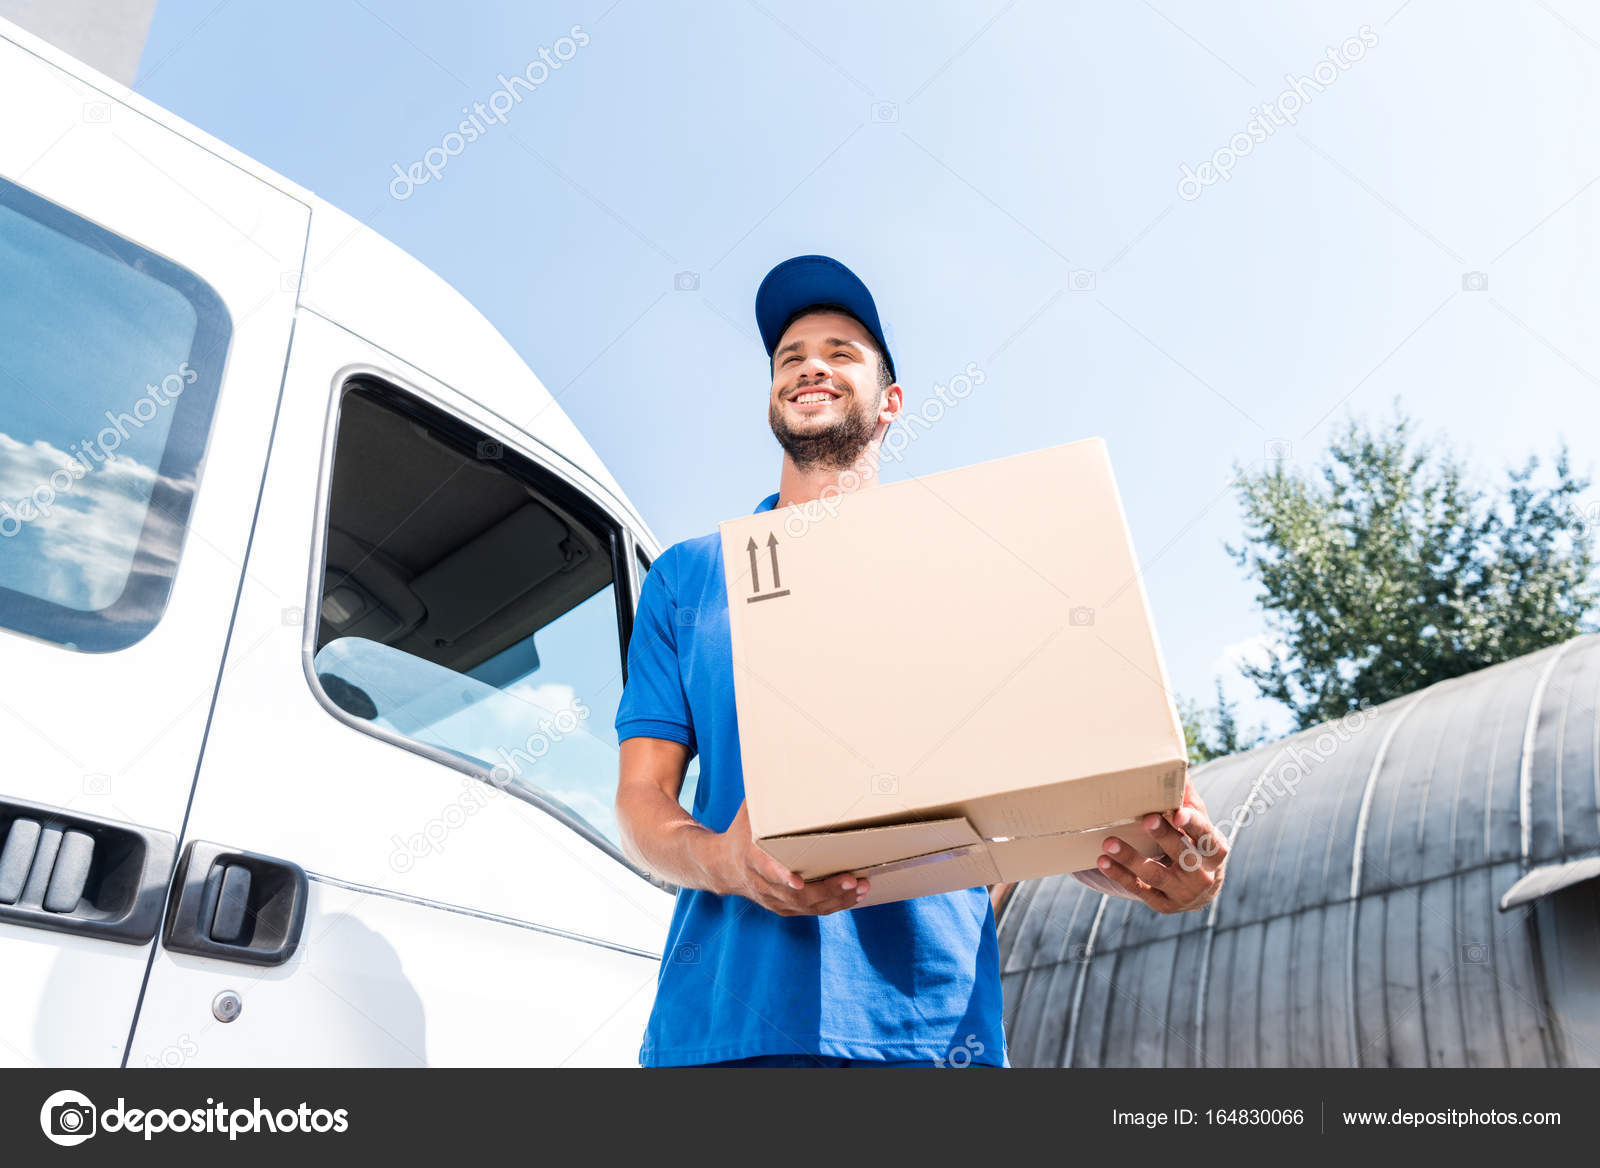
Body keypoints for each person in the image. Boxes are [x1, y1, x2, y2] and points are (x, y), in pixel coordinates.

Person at [613, 255, 1228, 1068]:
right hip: (728, 1030)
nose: (810, 366)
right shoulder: (689, 577)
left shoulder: (975, 560)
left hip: (935, 1035)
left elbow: (1037, 788)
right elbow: (640, 801)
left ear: (890, 401)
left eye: (841, 351)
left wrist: (1119, 854)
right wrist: (722, 859)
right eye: (789, 357)